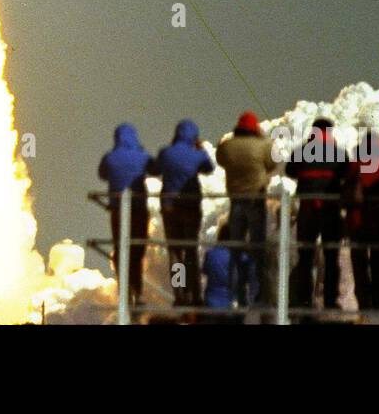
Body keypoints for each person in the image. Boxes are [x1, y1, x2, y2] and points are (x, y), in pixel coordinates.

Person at [148, 119, 213, 308]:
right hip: (191, 207)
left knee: (175, 253)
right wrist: (199, 150)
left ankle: (180, 294)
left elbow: (155, 169)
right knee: (191, 250)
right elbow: (209, 168)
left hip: (169, 209)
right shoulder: (196, 154)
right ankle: (195, 295)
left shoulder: (165, 153)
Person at [285, 118, 347, 312]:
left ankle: (304, 300)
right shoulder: (339, 154)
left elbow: (289, 170)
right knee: (331, 256)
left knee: (305, 256)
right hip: (330, 210)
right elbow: (347, 174)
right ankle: (330, 301)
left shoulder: (303, 151)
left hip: (307, 210)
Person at [215, 110, 277, 304]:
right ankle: (258, 294)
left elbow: (220, 159)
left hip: (236, 203)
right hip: (256, 201)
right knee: (258, 248)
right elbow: (272, 163)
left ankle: (239, 294)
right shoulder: (262, 145)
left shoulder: (227, 146)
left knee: (236, 248)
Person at [97, 123, 152, 307]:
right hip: (139, 211)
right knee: (137, 251)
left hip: (117, 212)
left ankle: (125, 292)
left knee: (121, 250)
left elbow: (102, 174)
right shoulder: (142, 156)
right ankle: (137, 290)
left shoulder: (110, 157)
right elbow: (156, 168)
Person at [345, 130, 379, 311]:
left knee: (359, 265)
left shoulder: (354, 165)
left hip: (356, 223)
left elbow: (345, 191)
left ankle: (363, 302)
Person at [202, 222, 249, 323]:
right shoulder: (242, 257)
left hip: (212, 303)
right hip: (233, 305)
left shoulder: (210, 254)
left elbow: (205, 271)